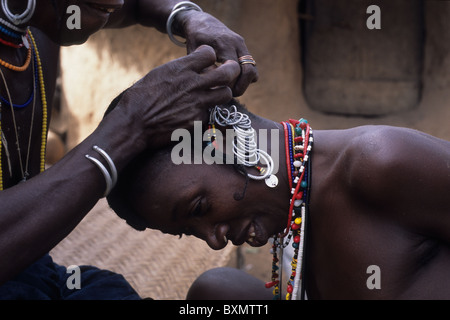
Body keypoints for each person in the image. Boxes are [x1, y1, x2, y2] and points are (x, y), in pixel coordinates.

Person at [0, 0, 258, 299]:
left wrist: (188, 17)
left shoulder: (35, 26)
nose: (118, 2)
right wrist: (129, 127)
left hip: (35, 270)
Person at [107, 98, 450, 300]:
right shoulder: (294, 210)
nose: (213, 240)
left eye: (199, 208)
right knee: (215, 291)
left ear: (228, 143)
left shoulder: (379, 162)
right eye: (190, 231)